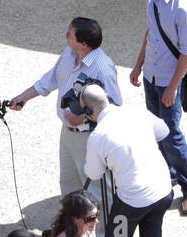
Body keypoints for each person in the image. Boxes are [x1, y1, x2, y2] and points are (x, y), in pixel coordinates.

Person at [8, 17, 122, 225]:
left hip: (90, 137)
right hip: (68, 134)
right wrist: (23, 97)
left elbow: (113, 106)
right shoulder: (70, 54)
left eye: (70, 33)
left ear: (84, 44)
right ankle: (72, 231)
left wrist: (80, 118)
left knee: (96, 188)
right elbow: (50, 80)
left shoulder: (103, 68)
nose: (66, 35)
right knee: (69, 184)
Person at [129, 0, 187, 216]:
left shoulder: (184, 8)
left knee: (171, 133)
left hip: (169, 80)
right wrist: (138, 66)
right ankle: (166, 175)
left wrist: (172, 87)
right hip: (151, 76)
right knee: (154, 130)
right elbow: (150, 34)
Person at [81, 84, 175, 237]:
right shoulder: (136, 111)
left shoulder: (98, 136)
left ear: (89, 111)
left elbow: (93, 174)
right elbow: (164, 130)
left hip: (131, 204)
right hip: (163, 192)